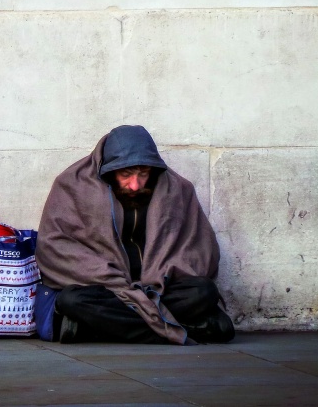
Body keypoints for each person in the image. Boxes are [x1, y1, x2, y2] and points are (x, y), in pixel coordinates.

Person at [34, 125, 234, 344]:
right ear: (108, 170)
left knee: (204, 292)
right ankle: (183, 331)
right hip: (106, 289)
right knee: (72, 300)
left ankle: (96, 330)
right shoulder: (72, 186)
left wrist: (162, 273)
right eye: (125, 175)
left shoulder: (178, 189)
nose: (135, 185)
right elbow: (55, 247)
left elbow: (199, 248)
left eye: (143, 174)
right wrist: (109, 277)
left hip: (159, 291)